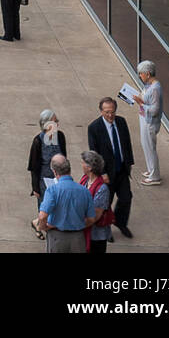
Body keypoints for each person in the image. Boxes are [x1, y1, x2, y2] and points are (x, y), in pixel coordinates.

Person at [88, 97, 134, 239]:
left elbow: (126, 143)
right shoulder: (94, 127)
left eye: (112, 112)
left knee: (126, 198)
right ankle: (106, 229)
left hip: (122, 170)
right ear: (101, 112)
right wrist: (102, 173)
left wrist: (129, 163)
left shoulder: (121, 122)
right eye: (107, 112)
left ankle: (120, 222)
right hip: (107, 172)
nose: (110, 115)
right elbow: (94, 152)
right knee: (106, 203)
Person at [36, 154, 95, 253]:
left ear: (54, 172)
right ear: (69, 170)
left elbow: (42, 216)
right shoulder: (84, 191)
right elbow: (91, 219)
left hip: (57, 238)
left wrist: (43, 227)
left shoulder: (52, 190)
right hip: (78, 238)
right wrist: (78, 224)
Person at [27, 110, 67, 239]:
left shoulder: (60, 136)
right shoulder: (38, 141)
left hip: (59, 178)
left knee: (58, 204)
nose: (57, 124)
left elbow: (64, 157)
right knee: (44, 205)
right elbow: (33, 167)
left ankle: (40, 224)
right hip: (44, 179)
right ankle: (41, 226)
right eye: (54, 122)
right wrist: (35, 188)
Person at [131, 60, 164, 185]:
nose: (140, 76)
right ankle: (151, 170)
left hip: (150, 122)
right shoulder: (149, 85)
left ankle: (155, 176)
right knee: (146, 145)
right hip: (145, 119)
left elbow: (154, 110)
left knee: (150, 147)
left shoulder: (155, 88)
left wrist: (141, 103)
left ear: (148, 73)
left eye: (141, 74)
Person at [78, 150, 112, 253]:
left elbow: (94, 217)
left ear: (90, 167)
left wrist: (75, 226)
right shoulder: (85, 179)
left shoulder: (102, 189)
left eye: (83, 162)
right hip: (84, 227)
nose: (81, 164)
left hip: (96, 236)